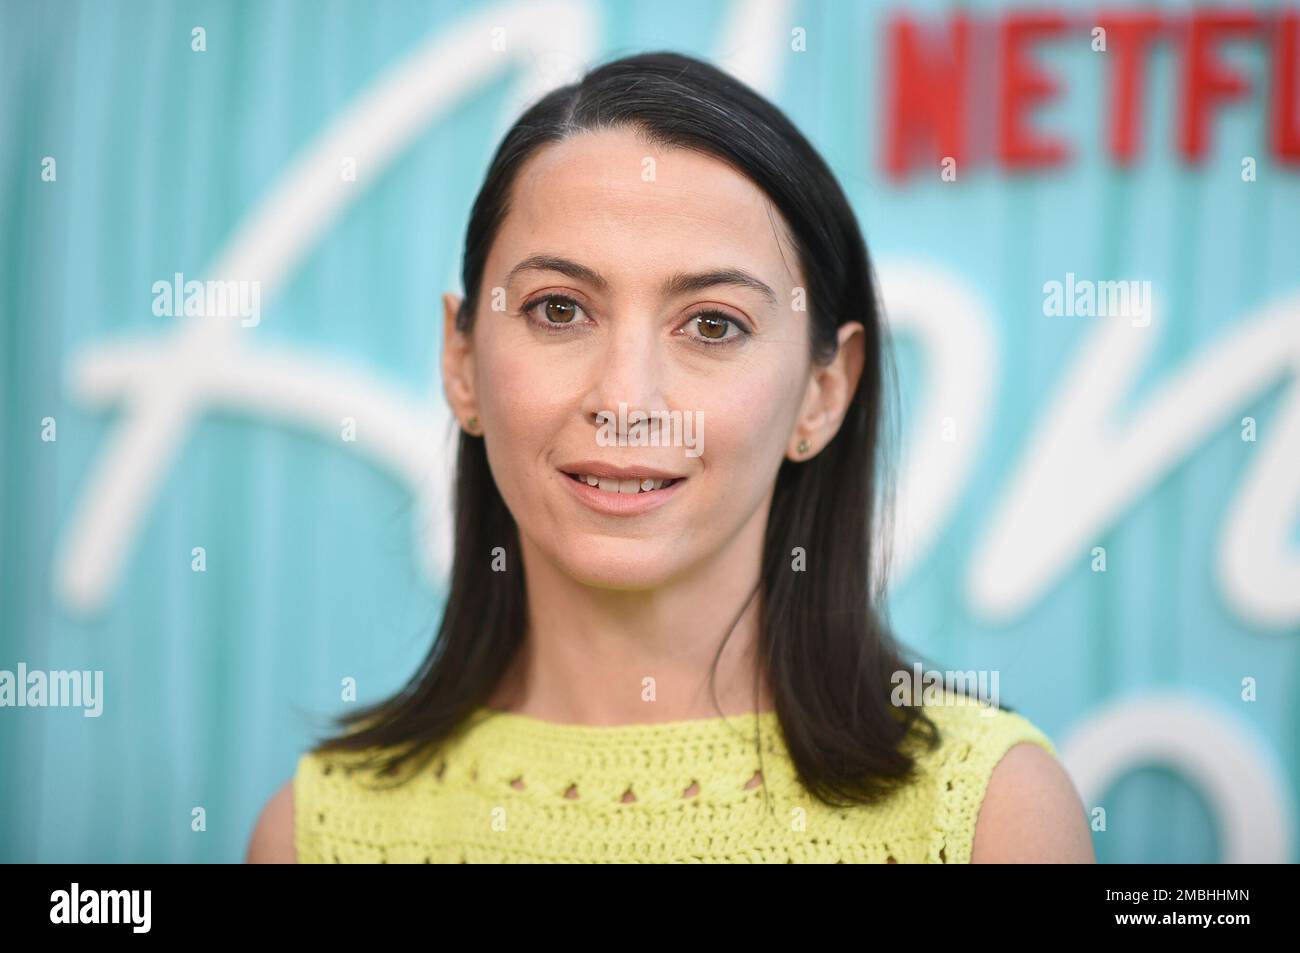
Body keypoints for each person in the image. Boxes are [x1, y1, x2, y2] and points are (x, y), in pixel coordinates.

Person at [247, 50, 1094, 863]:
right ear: (460, 362)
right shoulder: (319, 835)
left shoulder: (991, 816)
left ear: (823, 393)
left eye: (713, 324)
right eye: (557, 309)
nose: (625, 400)